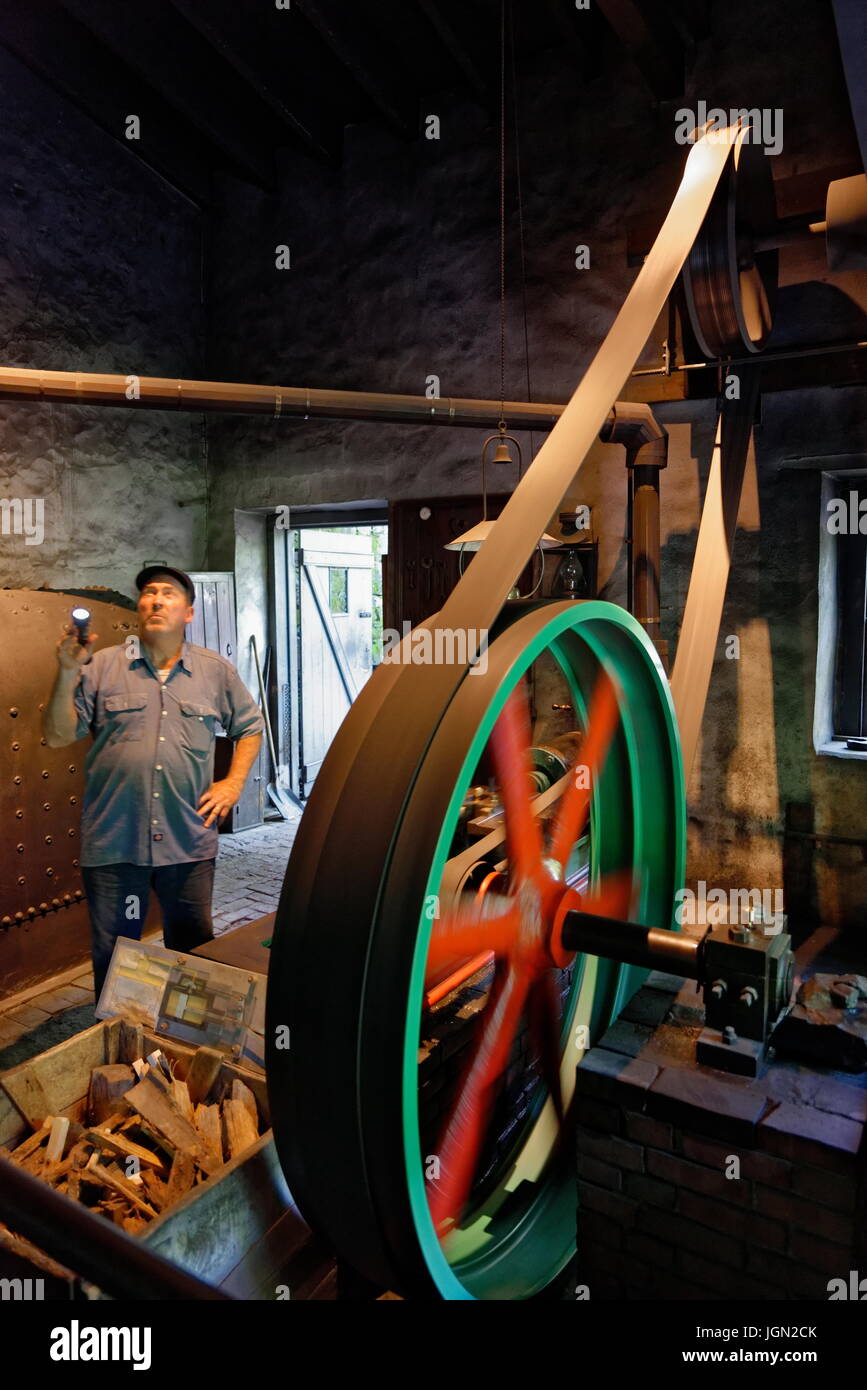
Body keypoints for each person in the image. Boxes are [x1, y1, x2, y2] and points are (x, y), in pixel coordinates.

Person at [43, 566, 265, 999]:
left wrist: (233, 784)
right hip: (114, 843)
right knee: (117, 955)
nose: (156, 600)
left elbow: (250, 728)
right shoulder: (104, 666)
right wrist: (67, 672)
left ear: (189, 613)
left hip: (187, 841)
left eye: (168, 593)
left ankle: (186, 1038)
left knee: (193, 951)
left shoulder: (214, 671)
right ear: (140, 608)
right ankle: (123, 1042)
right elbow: (55, 735)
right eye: (148, 593)